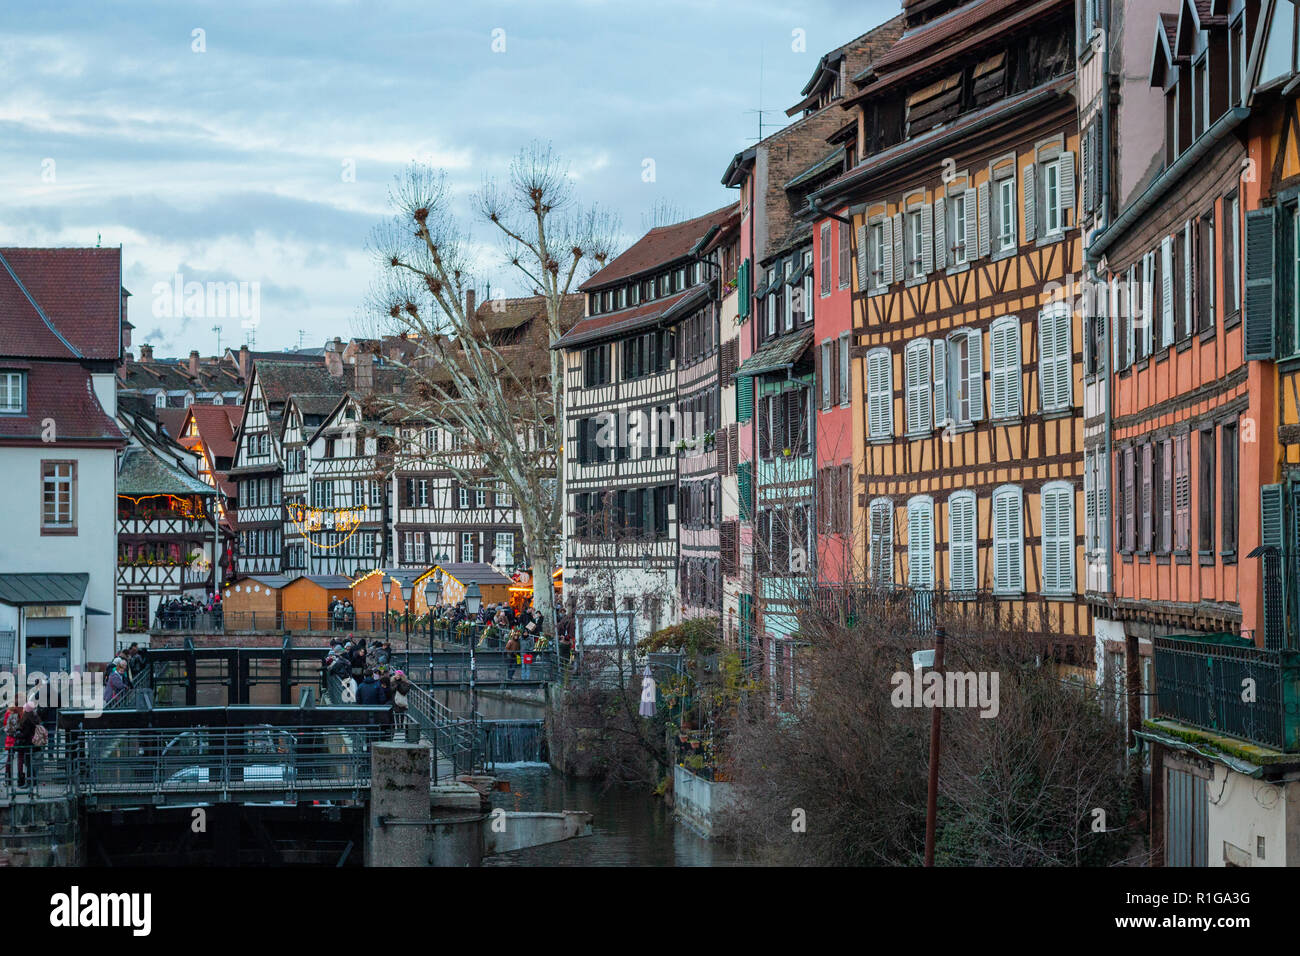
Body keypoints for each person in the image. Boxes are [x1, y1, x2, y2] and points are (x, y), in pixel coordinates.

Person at [15, 701, 39, 788]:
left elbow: (26, 734)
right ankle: (33, 780)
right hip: (34, 743)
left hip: (28, 744)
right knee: (31, 763)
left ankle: (29, 782)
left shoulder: (27, 720)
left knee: (28, 763)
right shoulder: (35, 718)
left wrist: (18, 734)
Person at [2, 704, 18, 785]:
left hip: (9, 739)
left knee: (9, 758)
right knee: (15, 758)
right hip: (14, 739)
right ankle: (10, 778)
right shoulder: (14, 716)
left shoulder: (7, 714)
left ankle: (7, 777)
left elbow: (5, 725)